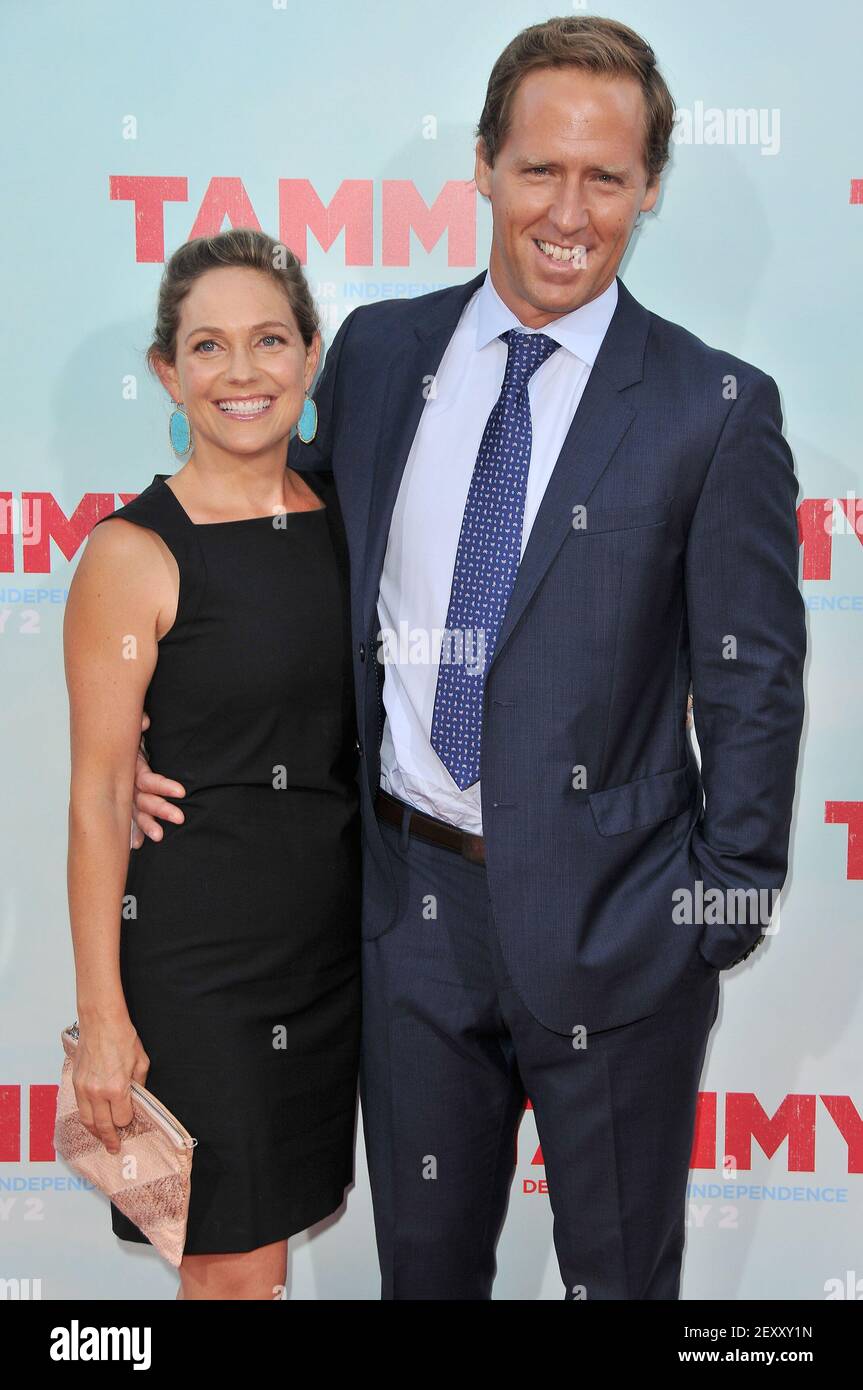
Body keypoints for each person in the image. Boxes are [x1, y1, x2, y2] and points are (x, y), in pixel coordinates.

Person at [131, 16, 806, 1299]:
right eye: (538, 168)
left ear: (649, 188)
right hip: (407, 920)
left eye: (605, 176)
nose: (569, 209)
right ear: (484, 164)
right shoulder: (383, 355)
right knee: (423, 1277)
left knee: (617, 1281)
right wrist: (147, 720)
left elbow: (752, 680)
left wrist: (706, 915)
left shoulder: (710, 409)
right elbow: (265, 549)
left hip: (620, 930)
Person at [63, 229, 362, 1300]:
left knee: (263, 1260)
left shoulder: (347, 520)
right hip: (199, 974)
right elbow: (101, 795)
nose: (242, 373)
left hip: (332, 959)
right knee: (231, 1273)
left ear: (310, 355)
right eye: (208, 347)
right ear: (166, 373)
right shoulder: (131, 553)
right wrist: (105, 1019)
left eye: (269, 340)